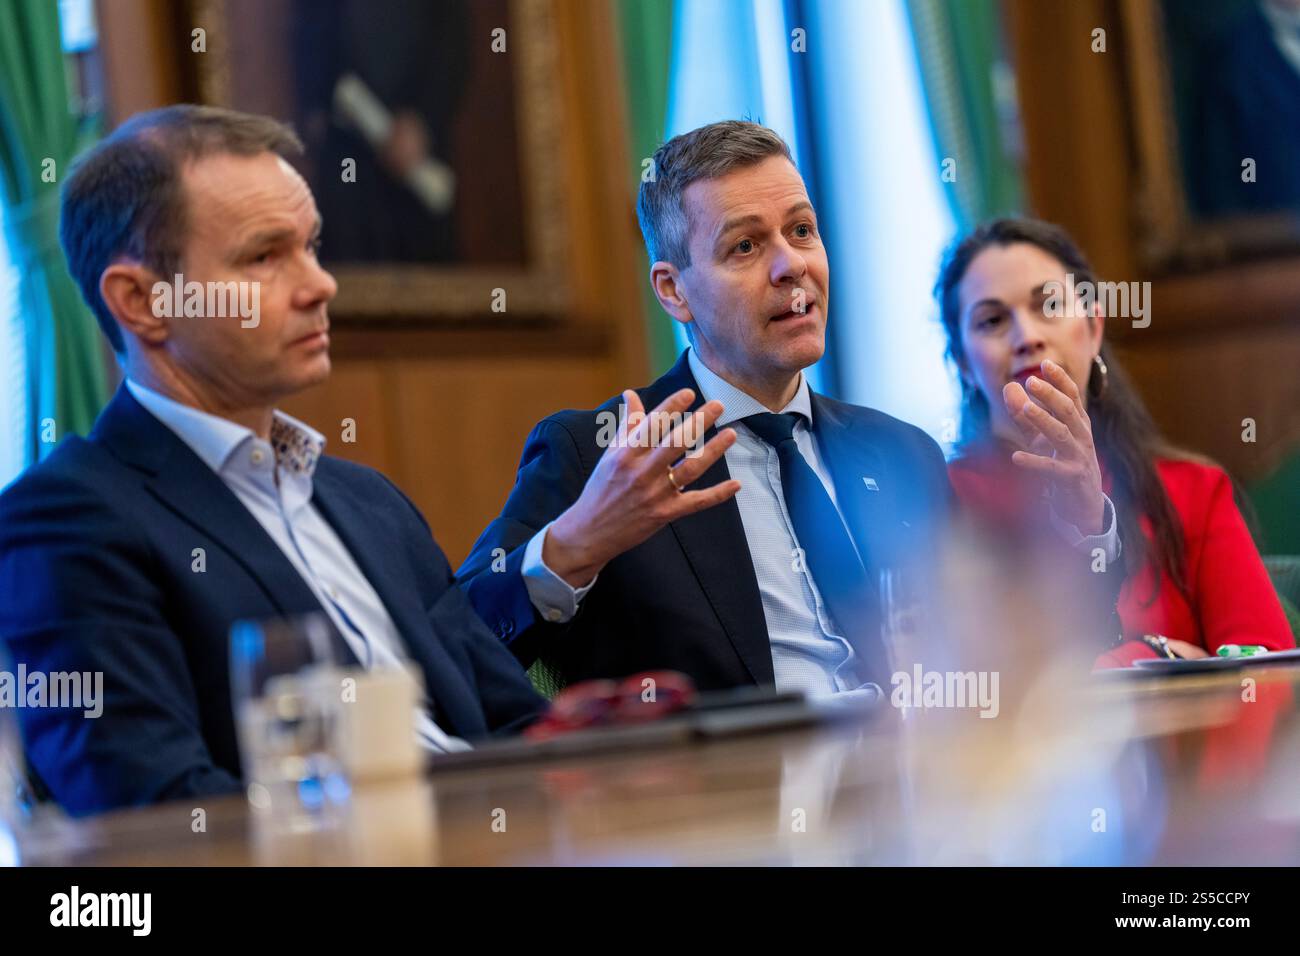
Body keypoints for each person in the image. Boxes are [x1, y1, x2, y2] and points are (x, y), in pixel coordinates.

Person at [0, 106, 546, 817]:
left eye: (312, 246)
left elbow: (520, 727)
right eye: (264, 257)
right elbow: (159, 812)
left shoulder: (368, 502)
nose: (320, 284)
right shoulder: (67, 521)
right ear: (141, 302)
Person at [458, 122, 1121, 695]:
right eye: (744, 246)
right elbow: (454, 641)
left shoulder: (899, 453)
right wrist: (577, 545)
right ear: (673, 291)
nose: (790, 266)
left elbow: (1027, 658)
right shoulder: (603, 452)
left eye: (802, 231)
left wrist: (1084, 522)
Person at [934, 217, 1292, 666]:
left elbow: (1269, 675)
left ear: (1094, 328)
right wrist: (1160, 655)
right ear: (963, 363)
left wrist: (1141, 658)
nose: (1027, 337)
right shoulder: (938, 499)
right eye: (991, 320)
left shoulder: (1192, 490)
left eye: (1048, 305)